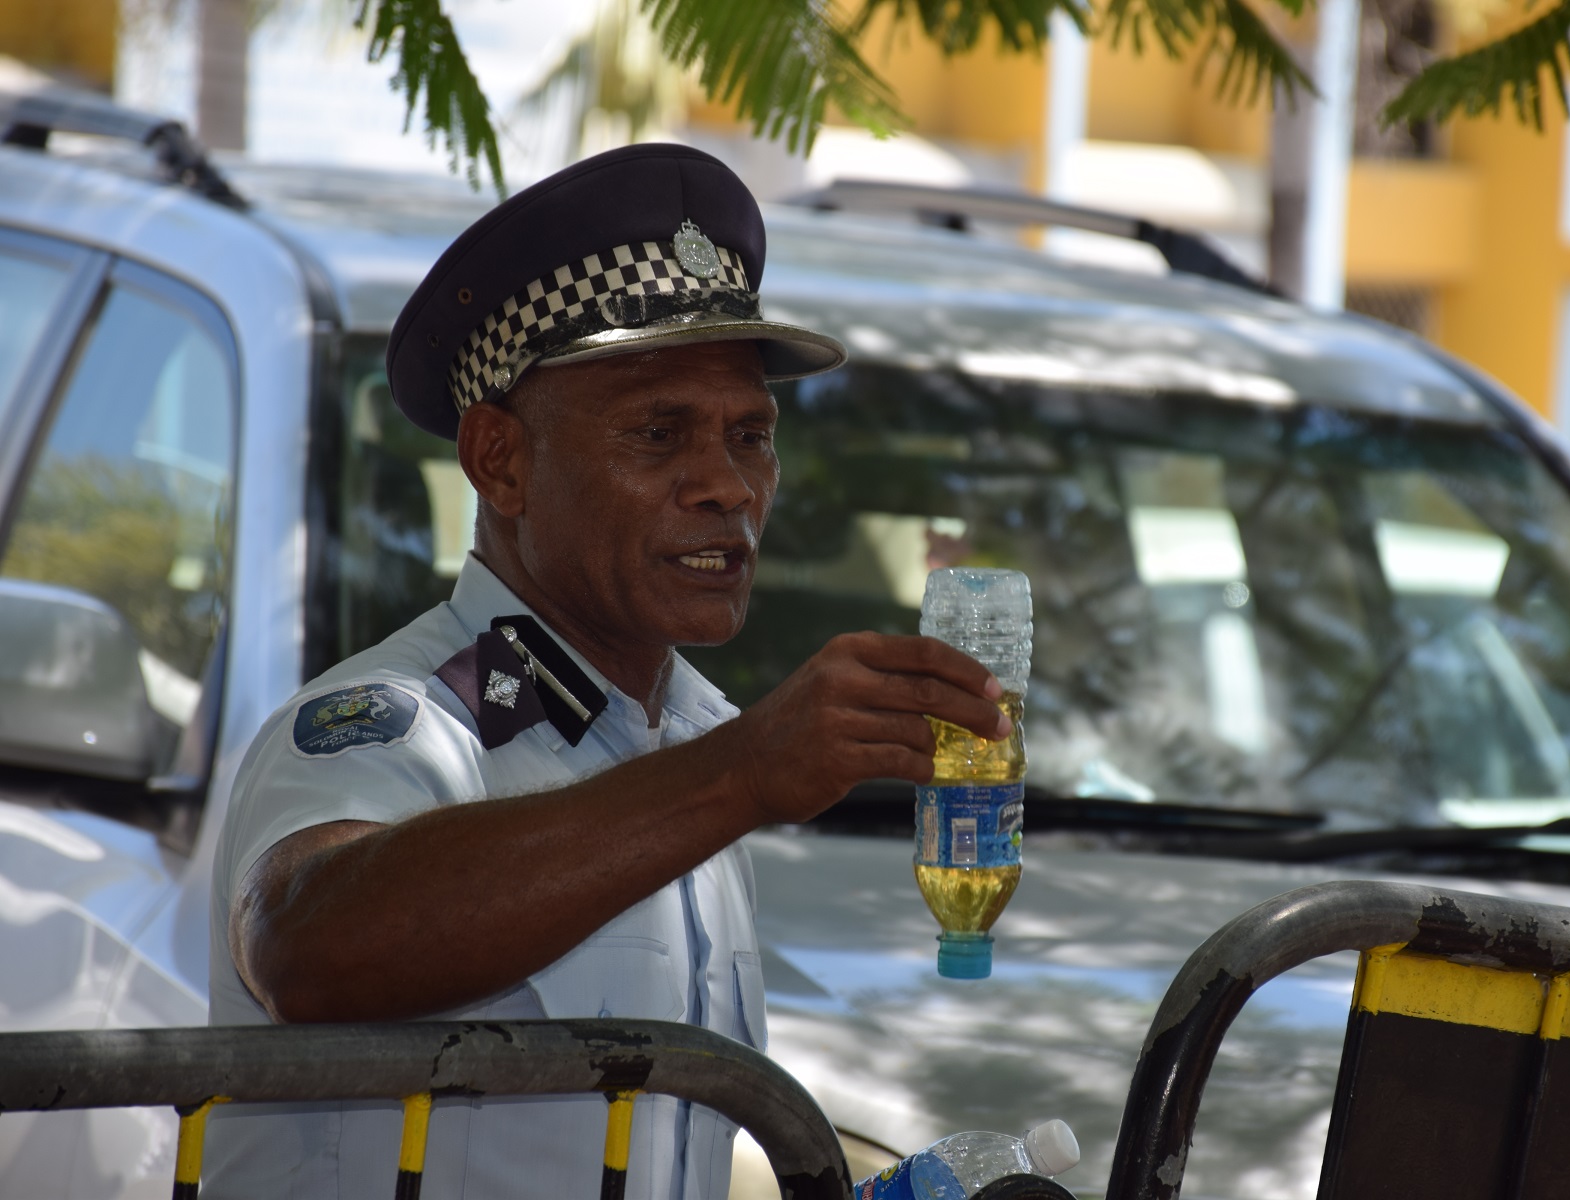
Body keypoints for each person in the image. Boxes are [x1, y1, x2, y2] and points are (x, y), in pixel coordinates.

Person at [204, 145, 1012, 1200]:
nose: (725, 486)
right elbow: (306, 943)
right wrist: (742, 774)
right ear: (501, 461)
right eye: (658, 432)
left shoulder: (684, 736)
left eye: (750, 435)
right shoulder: (397, 725)